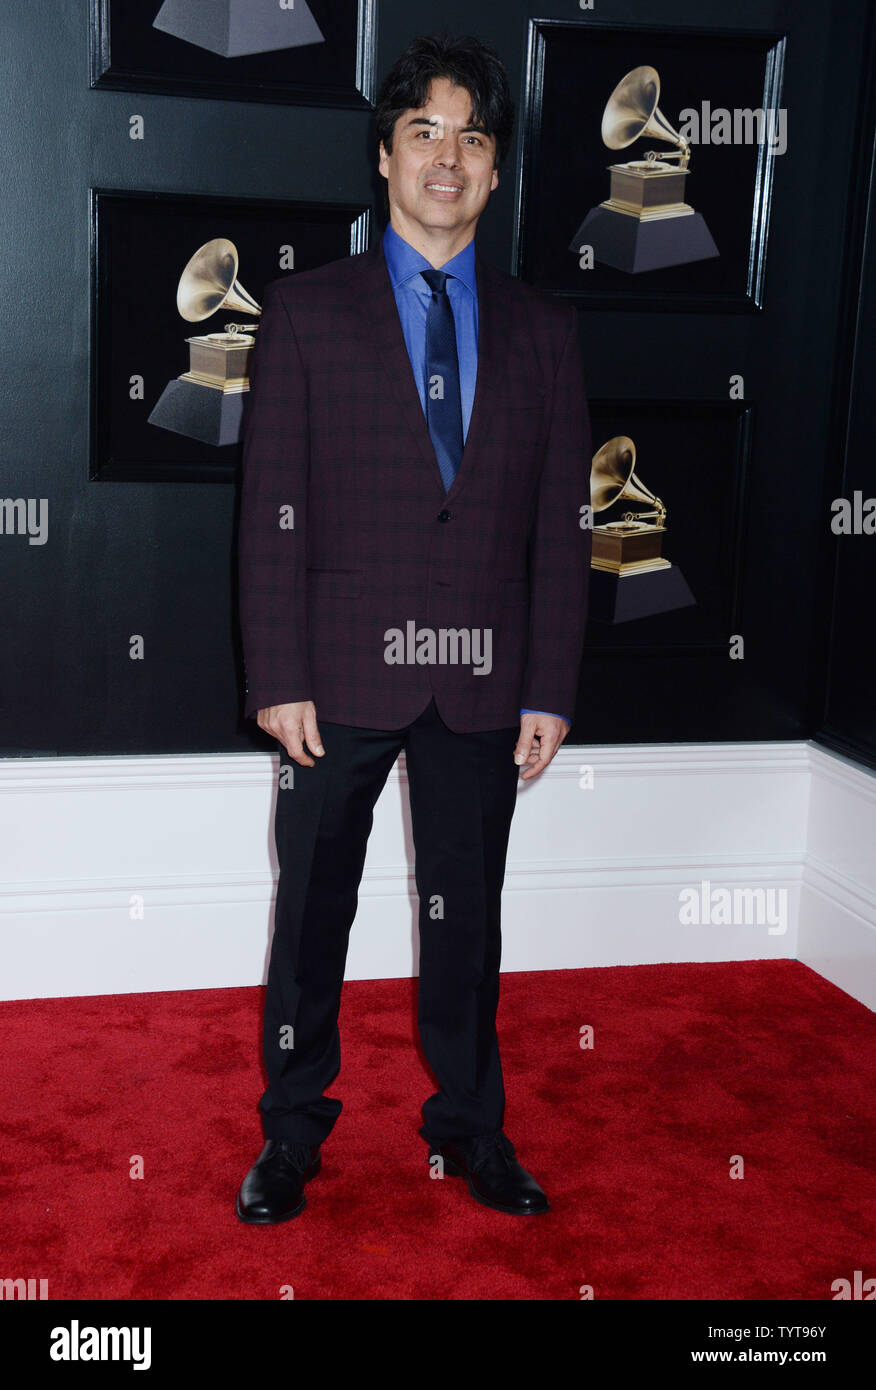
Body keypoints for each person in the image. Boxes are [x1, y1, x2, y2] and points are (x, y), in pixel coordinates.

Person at [235, 33, 591, 1223]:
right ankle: (291, 1133)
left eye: (474, 138)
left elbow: (562, 527)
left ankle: (471, 1127)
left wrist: (551, 686)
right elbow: (269, 513)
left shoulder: (545, 332)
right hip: (334, 675)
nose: (449, 157)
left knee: (467, 920)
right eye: (425, 132)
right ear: (385, 158)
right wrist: (277, 671)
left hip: (484, 680)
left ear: (495, 174)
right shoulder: (301, 312)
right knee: (311, 918)